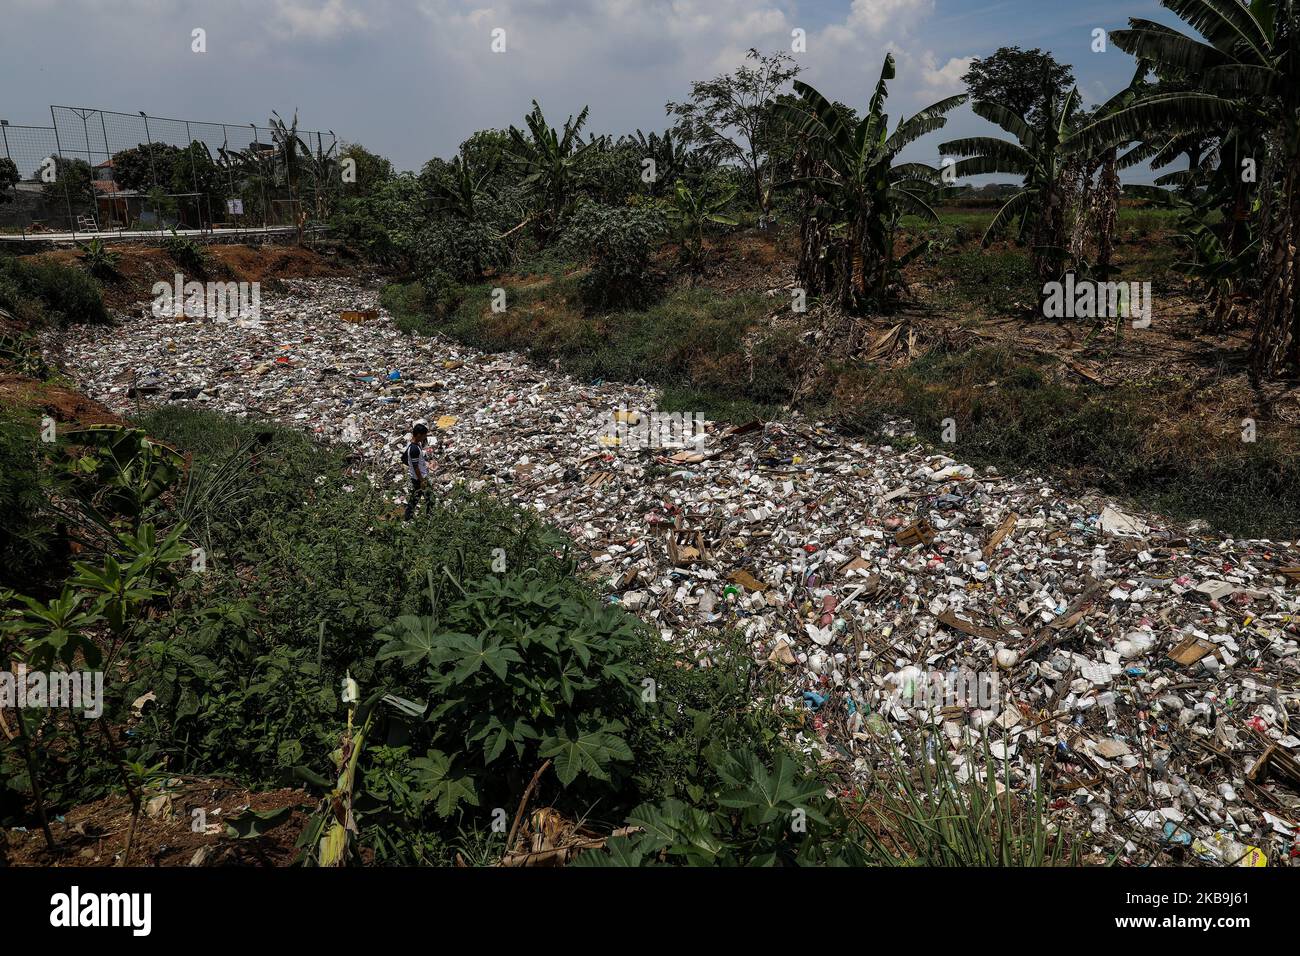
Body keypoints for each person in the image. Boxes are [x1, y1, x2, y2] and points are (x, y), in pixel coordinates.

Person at [402, 422, 433, 520]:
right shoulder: (414, 449)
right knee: (429, 498)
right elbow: (415, 467)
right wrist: (422, 480)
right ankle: (429, 518)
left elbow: (404, 459)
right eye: (424, 435)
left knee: (415, 498)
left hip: (415, 477)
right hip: (419, 478)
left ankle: (408, 517)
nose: (424, 438)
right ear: (419, 435)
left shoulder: (412, 445)